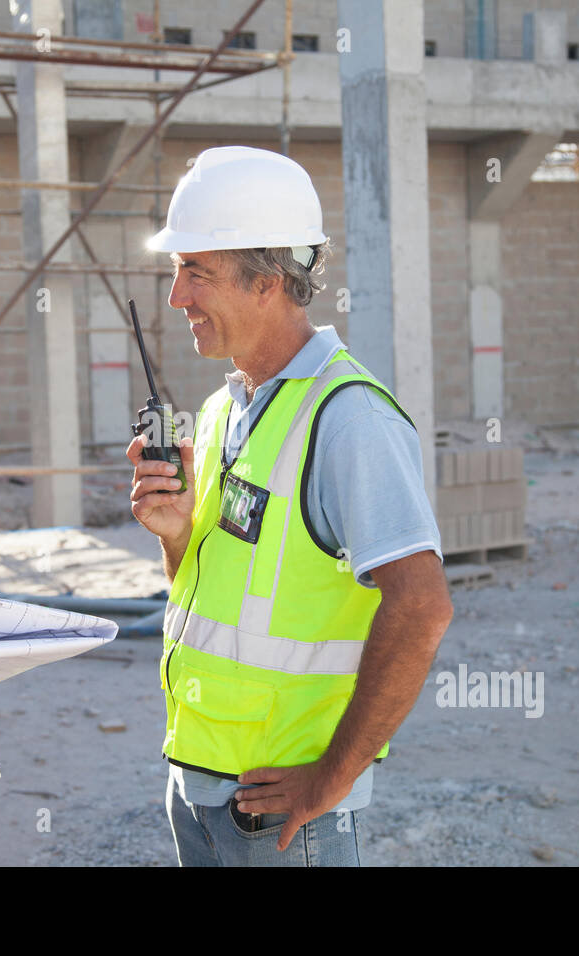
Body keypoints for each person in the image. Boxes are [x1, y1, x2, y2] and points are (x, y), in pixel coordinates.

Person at [127, 146, 454, 867]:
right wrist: (178, 534)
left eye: (197, 273)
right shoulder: (223, 409)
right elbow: (222, 593)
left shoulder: (350, 418)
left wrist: (332, 778)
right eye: (178, 270)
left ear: (267, 282)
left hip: (279, 820)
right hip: (199, 784)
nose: (177, 296)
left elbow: (423, 606)